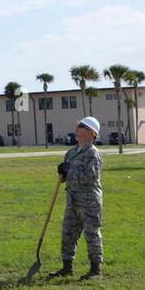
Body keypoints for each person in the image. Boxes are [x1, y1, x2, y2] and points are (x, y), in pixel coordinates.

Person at [51, 115, 104, 280]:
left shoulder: (93, 154)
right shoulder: (71, 153)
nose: (78, 128)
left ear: (91, 133)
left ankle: (95, 270)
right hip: (72, 200)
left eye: (82, 126)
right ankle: (67, 267)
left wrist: (70, 171)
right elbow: (66, 177)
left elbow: (91, 177)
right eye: (78, 125)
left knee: (91, 234)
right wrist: (62, 172)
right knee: (68, 233)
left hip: (89, 202)